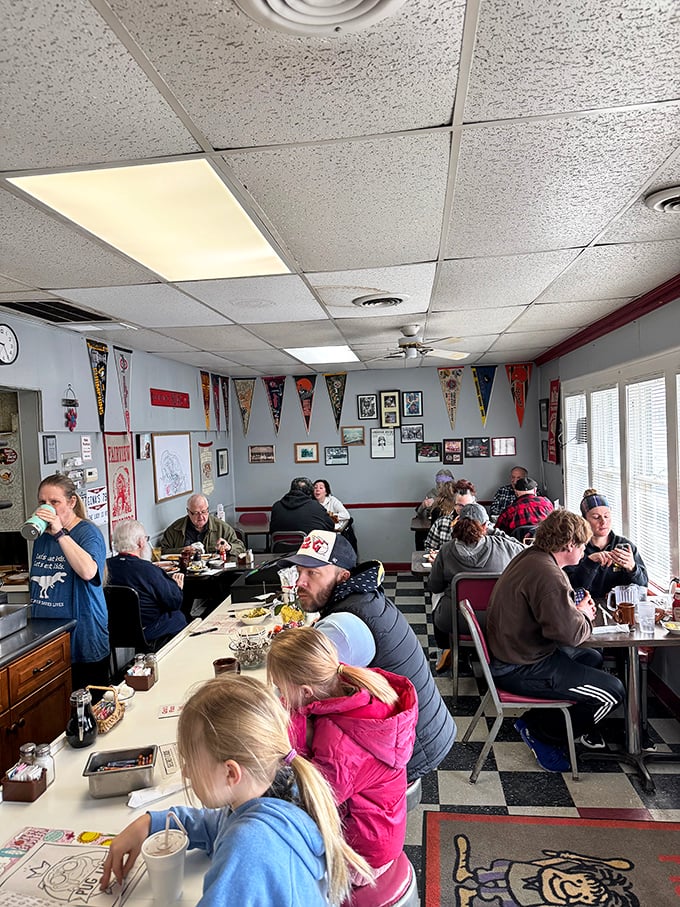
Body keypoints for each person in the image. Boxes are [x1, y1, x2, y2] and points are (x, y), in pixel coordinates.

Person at [100, 676, 371, 907]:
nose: (185, 772)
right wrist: (151, 823)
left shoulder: (248, 847)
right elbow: (218, 824)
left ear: (230, 773)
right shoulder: (275, 788)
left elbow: (236, 840)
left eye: (190, 763)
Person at [282, 530, 456, 781]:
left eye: (313, 573)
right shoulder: (362, 597)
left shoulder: (342, 625)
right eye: (298, 572)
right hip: (425, 731)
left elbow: (296, 692)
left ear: (343, 577)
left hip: (409, 749)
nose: (300, 582)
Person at [267, 627, 418, 883]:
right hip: (382, 830)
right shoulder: (354, 688)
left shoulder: (339, 745)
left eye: (282, 689)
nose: (281, 697)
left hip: (365, 854)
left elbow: (314, 799)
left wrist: (288, 753)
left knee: (280, 864)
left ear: (305, 692)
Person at [486, 510, 625, 771]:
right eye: (583, 544)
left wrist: (573, 611)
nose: (585, 550)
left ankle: (541, 720)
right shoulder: (548, 574)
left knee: (592, 657)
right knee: (612, 692)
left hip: (513, 653)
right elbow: (570, 635)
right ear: (569, 544)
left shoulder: (532, 557)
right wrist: (583, 614)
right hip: (521, 666)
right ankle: (544, 735)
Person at [29, 473, 109, 691]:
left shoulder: (87, 532)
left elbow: (88, 571)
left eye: (55, 502)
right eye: (42, 502)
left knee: (91, 711)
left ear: (71, 502)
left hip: (83, 636)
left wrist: (60, 534)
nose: (48, 508)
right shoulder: (42, 536)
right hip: (49, 637)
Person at [429, 502, 523, 650]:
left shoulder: (446, 550)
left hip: (455, 619)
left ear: (458, 523)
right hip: (499, 617)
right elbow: (524, 549)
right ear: (486, 526)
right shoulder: (504, 545)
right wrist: (494, 532)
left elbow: (434, 586)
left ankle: (445, 649)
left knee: (436, 596)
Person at [106, 520, 186, 649]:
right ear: (140, 542)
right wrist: (177, 588)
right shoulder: (148, 569)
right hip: (146, 629)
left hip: (112, 630)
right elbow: (174, 602)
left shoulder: (104, 567)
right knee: (178, 617)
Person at [564, 489, 648, 600]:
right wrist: (589, 564)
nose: (603, 522)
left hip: (619, 610)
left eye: (607, 516)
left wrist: (632, 568)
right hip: (585, 609)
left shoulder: (625, 546)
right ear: (584, 520)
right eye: (596, 517)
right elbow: (570, 589)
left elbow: (643, 587)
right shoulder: (575, 547)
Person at [159, 494, 244, 558]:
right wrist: (183, 550)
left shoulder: (222, 528)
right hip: (186, 574)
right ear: (188, 512)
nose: (201, 517)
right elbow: (162, 552)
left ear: (208, 510)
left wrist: (228, 547)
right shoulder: (175, 529)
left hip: (216, 575)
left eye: (204, 512)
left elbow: (241, 548)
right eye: (196, 513)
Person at [424, 479, 476, 555]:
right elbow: (429, 548)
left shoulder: (481, 525)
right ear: (454, 505)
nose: (464, 509)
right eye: (460, 505)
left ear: (474, 504)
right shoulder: (441, 523)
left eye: (468, 505)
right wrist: (434, 556)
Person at [270, 477, 335, 535]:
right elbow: (331, 526)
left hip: (280, 547)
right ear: (309, 492)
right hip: (309, 548)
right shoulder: (316, 506)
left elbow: (272, 530)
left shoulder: (277, 506)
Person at [313, 478, 359, 553]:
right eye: (315, 488)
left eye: (321, 488)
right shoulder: (311, 503)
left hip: (333, 534)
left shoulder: (332, 500)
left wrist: (330, 516)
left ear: (326, 491)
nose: (317, 490)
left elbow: (346, 515)